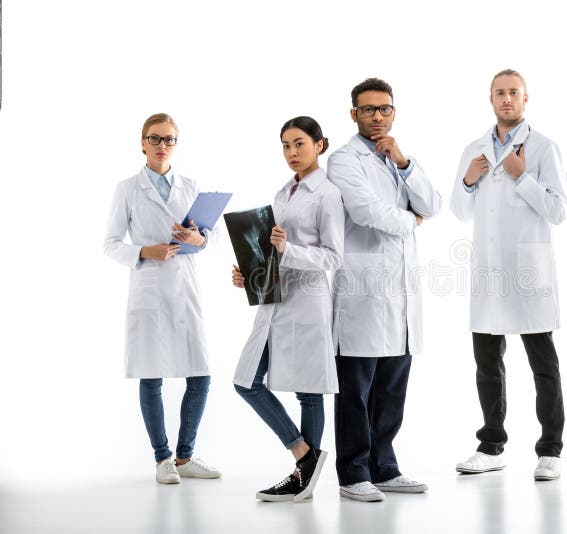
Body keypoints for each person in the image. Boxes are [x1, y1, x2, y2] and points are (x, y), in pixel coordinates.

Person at [327, 78, 442, 502]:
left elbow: (432, 204)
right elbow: (364, 210)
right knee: (356, 390)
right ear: (353, 113)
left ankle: (385, 467)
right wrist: (409, 221)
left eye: (385, 109)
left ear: (394, 112)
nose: (378, 116)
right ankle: (353, 473)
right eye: (369, 109)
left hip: (401, 291)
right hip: (363, 289)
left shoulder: (398, 157)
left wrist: (405, 163)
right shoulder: (342, 160)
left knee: (392, 386)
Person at [450, 69, 567, 481]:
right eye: (500, 93)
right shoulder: (474, 150)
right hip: (489, 272)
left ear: (525, 99)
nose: (506, 99)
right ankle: (492, 445)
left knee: (543, 365)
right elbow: (460, 211)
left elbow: (557, 211)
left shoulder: (544, 149)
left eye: (513, 93)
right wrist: (469, 180)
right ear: (490, 98)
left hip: (528, 272)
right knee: (487, 364)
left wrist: (522, 175)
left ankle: (550, 449)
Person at [103, 113, 222, 484]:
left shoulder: (191, 185)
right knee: (151, 376)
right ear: (142, 143)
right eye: (154, 139)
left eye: (168, 139)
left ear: (176, 144)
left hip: (185, 288)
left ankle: (185, 457)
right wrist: (145, 252)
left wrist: (198, 240)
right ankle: (162, 459)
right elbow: (110, 244)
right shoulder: (127, 188)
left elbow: (210, 236)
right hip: (150, 289)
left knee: (199, 376)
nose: (161, 146)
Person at [232, 116, 344, 502]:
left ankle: (303, 477)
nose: (292, 152)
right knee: (246, 381)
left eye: (299, 144)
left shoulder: (327, 194)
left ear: (320, 145)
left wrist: (286, 250)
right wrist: (250, 271)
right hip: (275, 298)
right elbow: (272, 248)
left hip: (309, 300)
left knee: (308, 391)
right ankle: (305, 456)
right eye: (285, 145)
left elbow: (333, 257)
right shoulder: (283, 193)